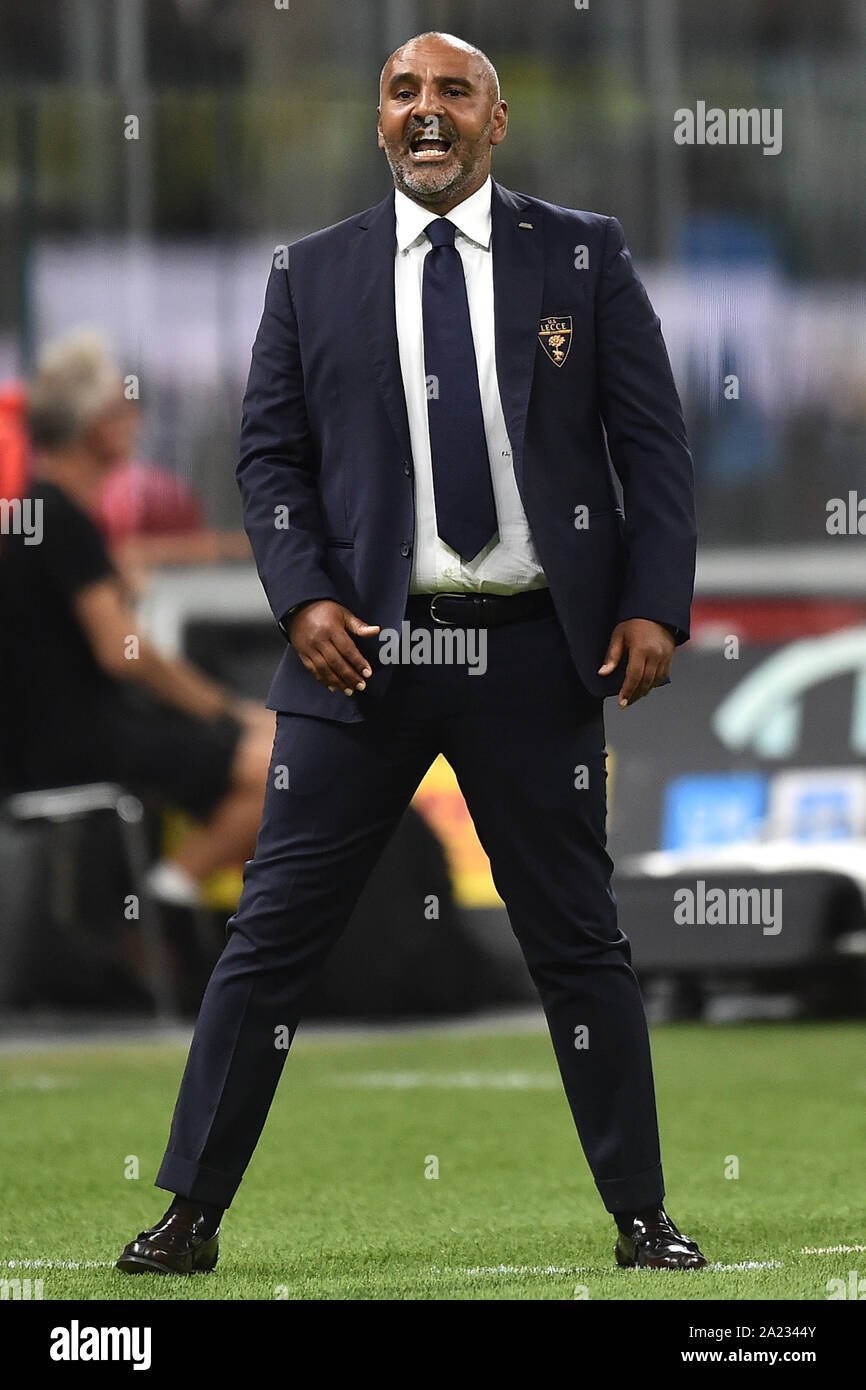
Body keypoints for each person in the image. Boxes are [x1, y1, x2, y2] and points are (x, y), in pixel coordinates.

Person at [116, 31, 705, 1277]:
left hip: (532, 655)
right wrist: (301, 599)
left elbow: (651, 445)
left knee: (578, 944)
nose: (423, 111)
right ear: (377, 122)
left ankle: (642, 1218)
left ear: (495, 123)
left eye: (451, 92)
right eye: (401, 92)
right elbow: (269, 459)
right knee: (269, 938)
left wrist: (653, 602)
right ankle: (188, 1216)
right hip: (359, 662)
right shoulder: (309, 272)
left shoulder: (583, 253)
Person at [0, 330, 275, 913]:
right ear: (98, 423)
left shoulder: (38, 515)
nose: (135, 419)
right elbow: (120, 650)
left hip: (50, 740)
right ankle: (164, 902)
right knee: (287, 764)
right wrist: (221, 709)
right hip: (79, 743)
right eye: (125, 408)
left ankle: (163, 904)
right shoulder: (60, 517)